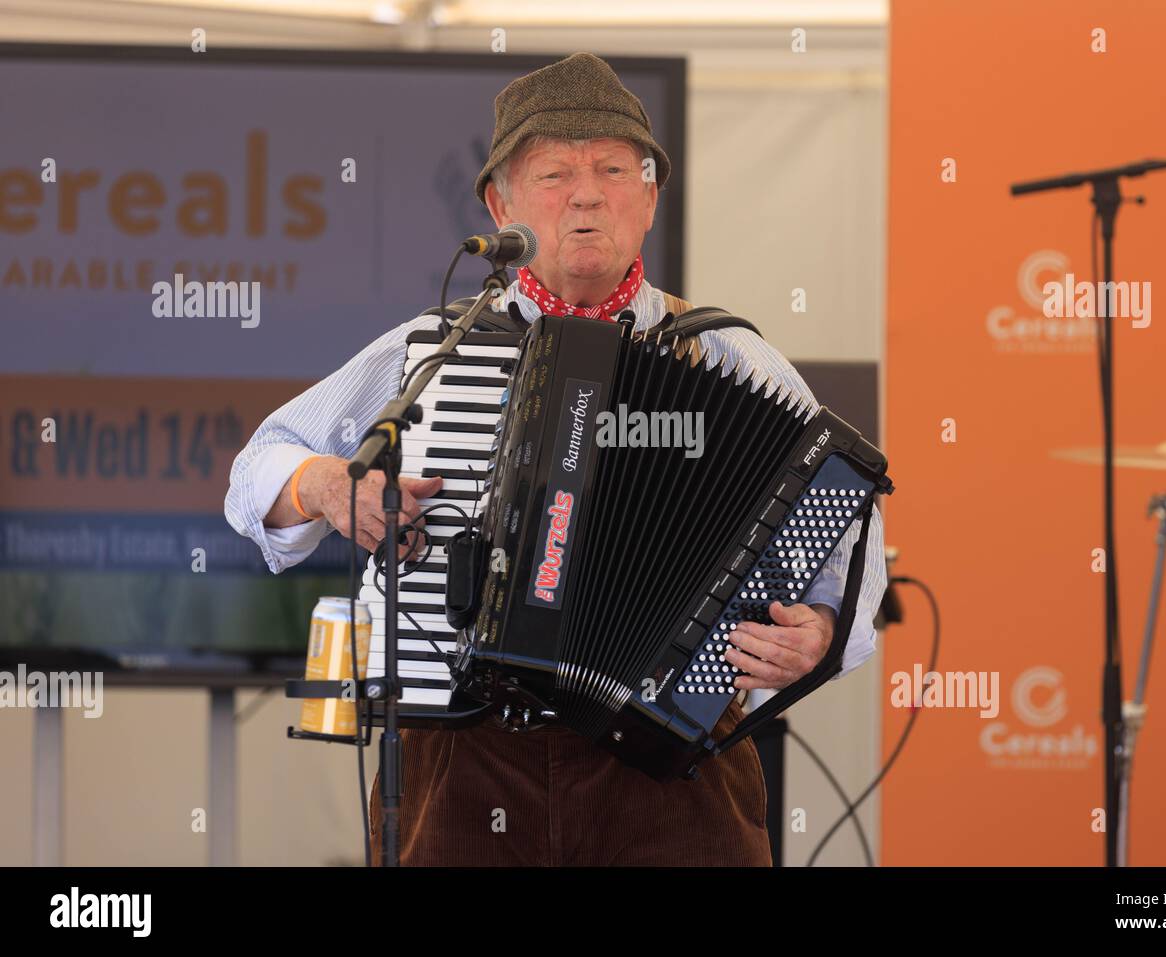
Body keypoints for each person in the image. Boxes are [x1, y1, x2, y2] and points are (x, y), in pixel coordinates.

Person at [225, 52, 887, 866]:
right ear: (501, 203)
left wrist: (819, 630)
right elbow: (258, 464)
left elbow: (853, 545)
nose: (586, 193)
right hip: (464, 761)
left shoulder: (728, 357)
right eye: (554, 172)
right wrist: (326, 484)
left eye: (614, 168)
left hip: (671, 771)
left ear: (649, 199)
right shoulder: (431, 351)